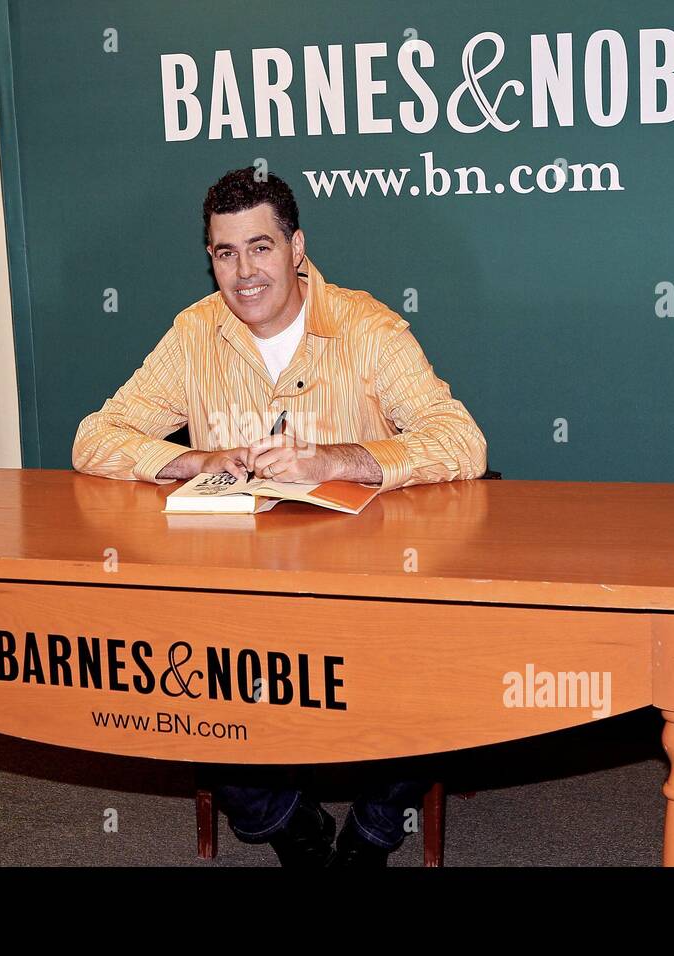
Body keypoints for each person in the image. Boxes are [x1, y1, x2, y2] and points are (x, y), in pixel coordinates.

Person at [73, 167, 488, 866]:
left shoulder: (368, 327)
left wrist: (337, 459)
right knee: (178, 678)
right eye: (224, 253)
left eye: (260, 248)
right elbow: (95, 437)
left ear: (297, 248)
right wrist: (194, 460)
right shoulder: (194, 333)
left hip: (366, 593)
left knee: (445, 674)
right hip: (236, 600)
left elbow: (463, 441)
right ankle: (294, 829)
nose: (244, 273)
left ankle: (371, 835)